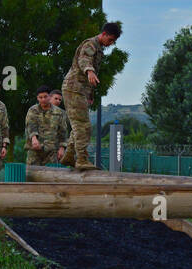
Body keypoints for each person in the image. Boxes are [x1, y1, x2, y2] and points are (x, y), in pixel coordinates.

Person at [62, 21, 121, 170]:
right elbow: (84, 60)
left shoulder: (98, 48)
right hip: (73, 88)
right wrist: (90, 71)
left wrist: (90, 93)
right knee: (83, 125)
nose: (111, 43)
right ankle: (81, 159)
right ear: (104, 34)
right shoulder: (90, 44)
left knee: (78, 124)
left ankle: (69, 156)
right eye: (110, 40)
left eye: (113, 42)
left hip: (80, 90)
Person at [24, 86, 66, 167]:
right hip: (35, 149)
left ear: (49, 97)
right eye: (40, 97)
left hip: (51, 151)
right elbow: (31, 125)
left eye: (45, 97)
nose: (43, 99)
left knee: (51, 175)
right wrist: (34, 139)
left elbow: (63, 132)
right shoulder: (33, 110)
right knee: (32, 175)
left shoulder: (59, 112)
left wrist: (62, 148)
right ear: (37, 98)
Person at [50, 88, 73, 165]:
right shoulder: (37, 110)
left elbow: (64, 132)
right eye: (56, 98)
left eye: (60, 100)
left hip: (54, 150)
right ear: (49, 98)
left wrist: (62, 148)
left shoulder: (63, 114)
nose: (58, 101)